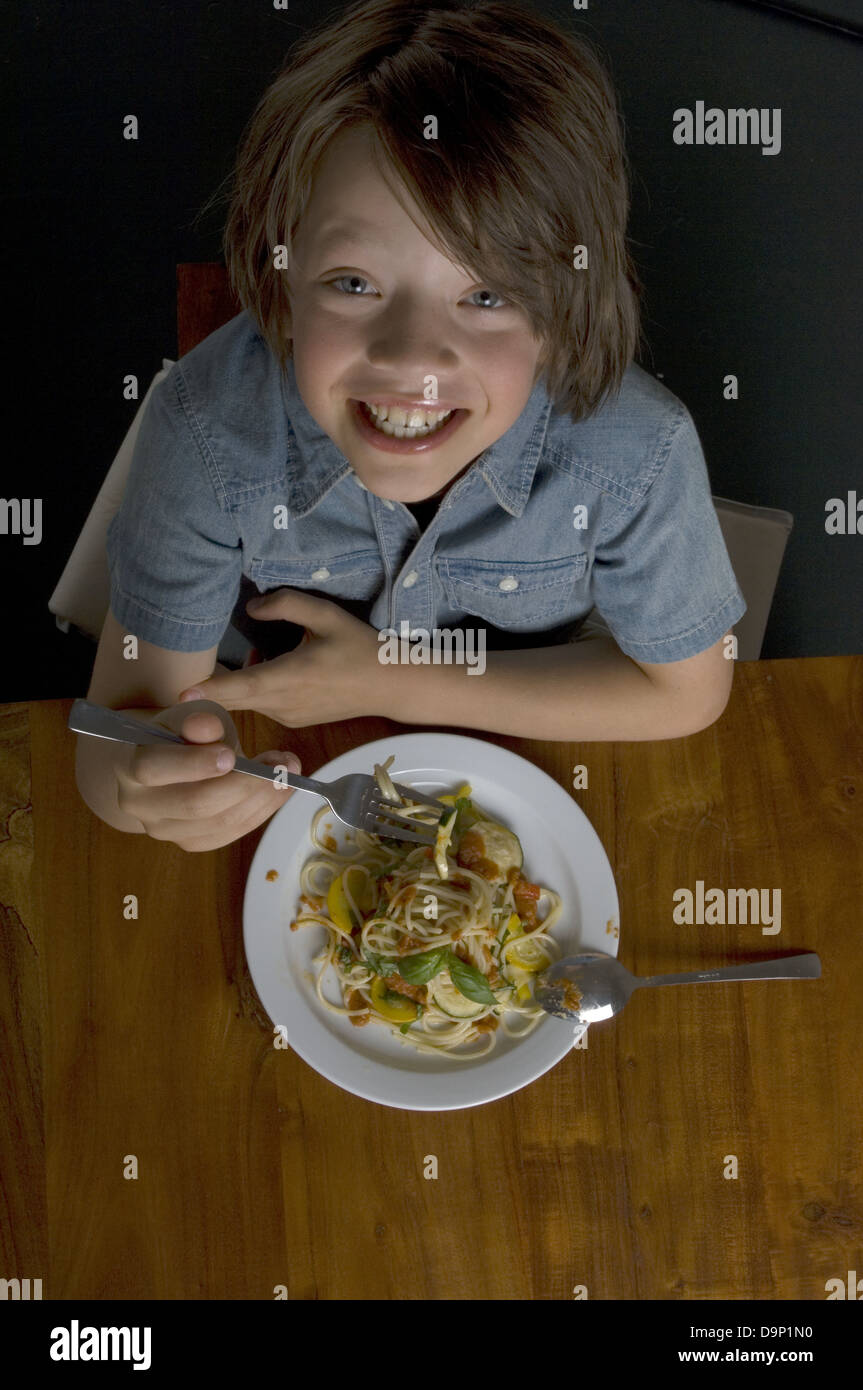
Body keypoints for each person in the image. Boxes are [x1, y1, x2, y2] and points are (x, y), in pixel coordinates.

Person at [75, 0, 745, 850]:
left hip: (543, 742)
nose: (412, 357)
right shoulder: (206, 429)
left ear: (565, 309)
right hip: (292, 735)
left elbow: (688, 694)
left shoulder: (637, 450)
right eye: (353, 283)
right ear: (281, 272)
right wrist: (142, 786)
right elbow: (117, 730)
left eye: (486, 294)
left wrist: (387, 681)